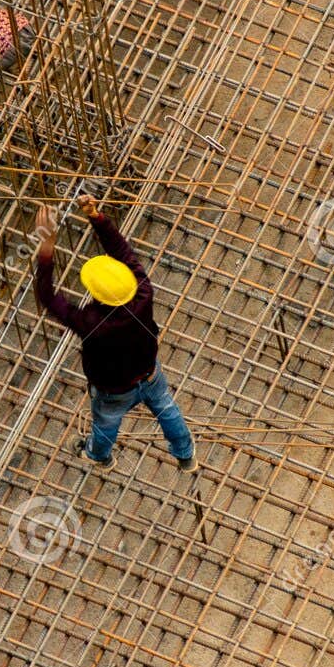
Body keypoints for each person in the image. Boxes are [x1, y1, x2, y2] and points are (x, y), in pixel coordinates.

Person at [34, 195, 196, 472]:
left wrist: (47, 248)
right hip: (149, 372)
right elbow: (122, 251)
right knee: (167, 410)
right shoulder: (143, 292)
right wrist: (96, 216)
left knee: (106, 425)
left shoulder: (91, 323)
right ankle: (185, 455)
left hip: (114, 391)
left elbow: (47, 297)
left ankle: (100, 456)